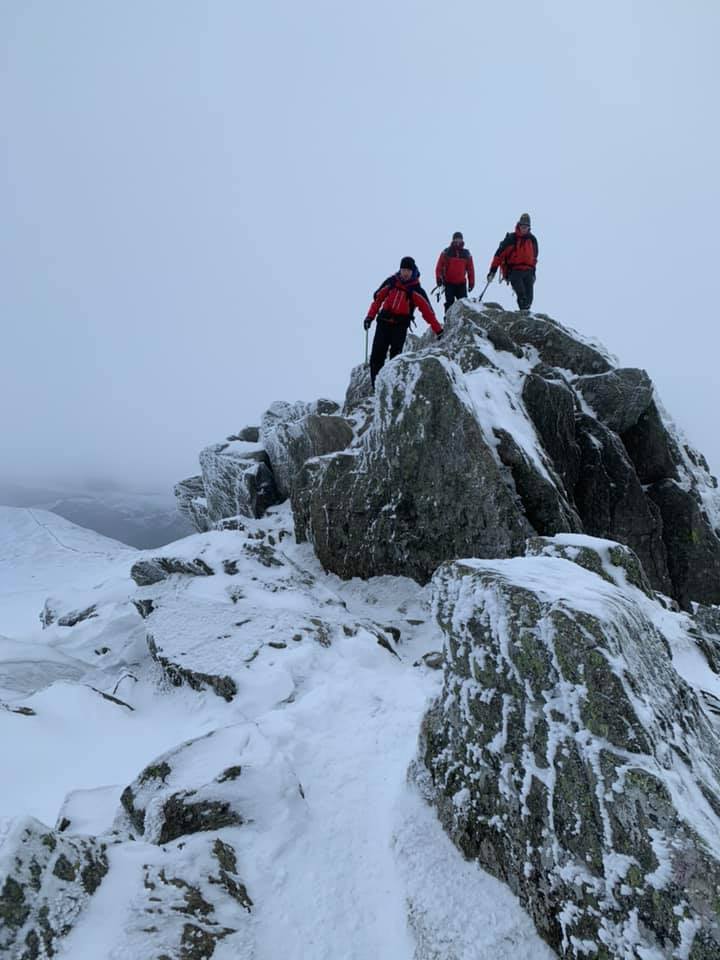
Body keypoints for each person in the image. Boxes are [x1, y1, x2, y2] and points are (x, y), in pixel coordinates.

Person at [364, 256, 443, 387]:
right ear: (400, 270)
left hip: (400, 326)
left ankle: (391, 387)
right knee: (377, 356)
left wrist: (438, 330)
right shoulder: (391, 282)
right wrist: (369, 317)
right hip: (383, 322)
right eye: (403, 270)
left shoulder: (416, 290)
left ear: (413, 271)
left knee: (395, 358)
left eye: (408, 270)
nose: (405, 273)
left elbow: (428, 312)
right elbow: (377, 300)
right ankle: (376, 388)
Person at [487, 213, 538, 311]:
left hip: (528, 271)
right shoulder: (511, 239)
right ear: (519, 225)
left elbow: (534, 259)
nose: (524, 228)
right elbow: (498, 256)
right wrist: (492, 271)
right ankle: (523, 314)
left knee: (529, 299)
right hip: (514, 271)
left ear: (529, 227)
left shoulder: (532, 240)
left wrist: (533, 273)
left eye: (526, 226)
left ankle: (525, 313)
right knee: (522, 295)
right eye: (522, 226)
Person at [435, 231, 475, 313]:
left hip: (461, 284)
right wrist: (439, 279)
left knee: (464, 304)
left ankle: (463, 321)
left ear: (462, 240)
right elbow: (439, 267)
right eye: (456, 239)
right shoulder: (446, 252)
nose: (458, 241)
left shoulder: (466, 254)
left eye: (459, 239)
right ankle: (447, 321)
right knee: (449, 303)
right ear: (453, 240)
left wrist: (471, 282)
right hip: (449, 283)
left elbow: (471, 269)